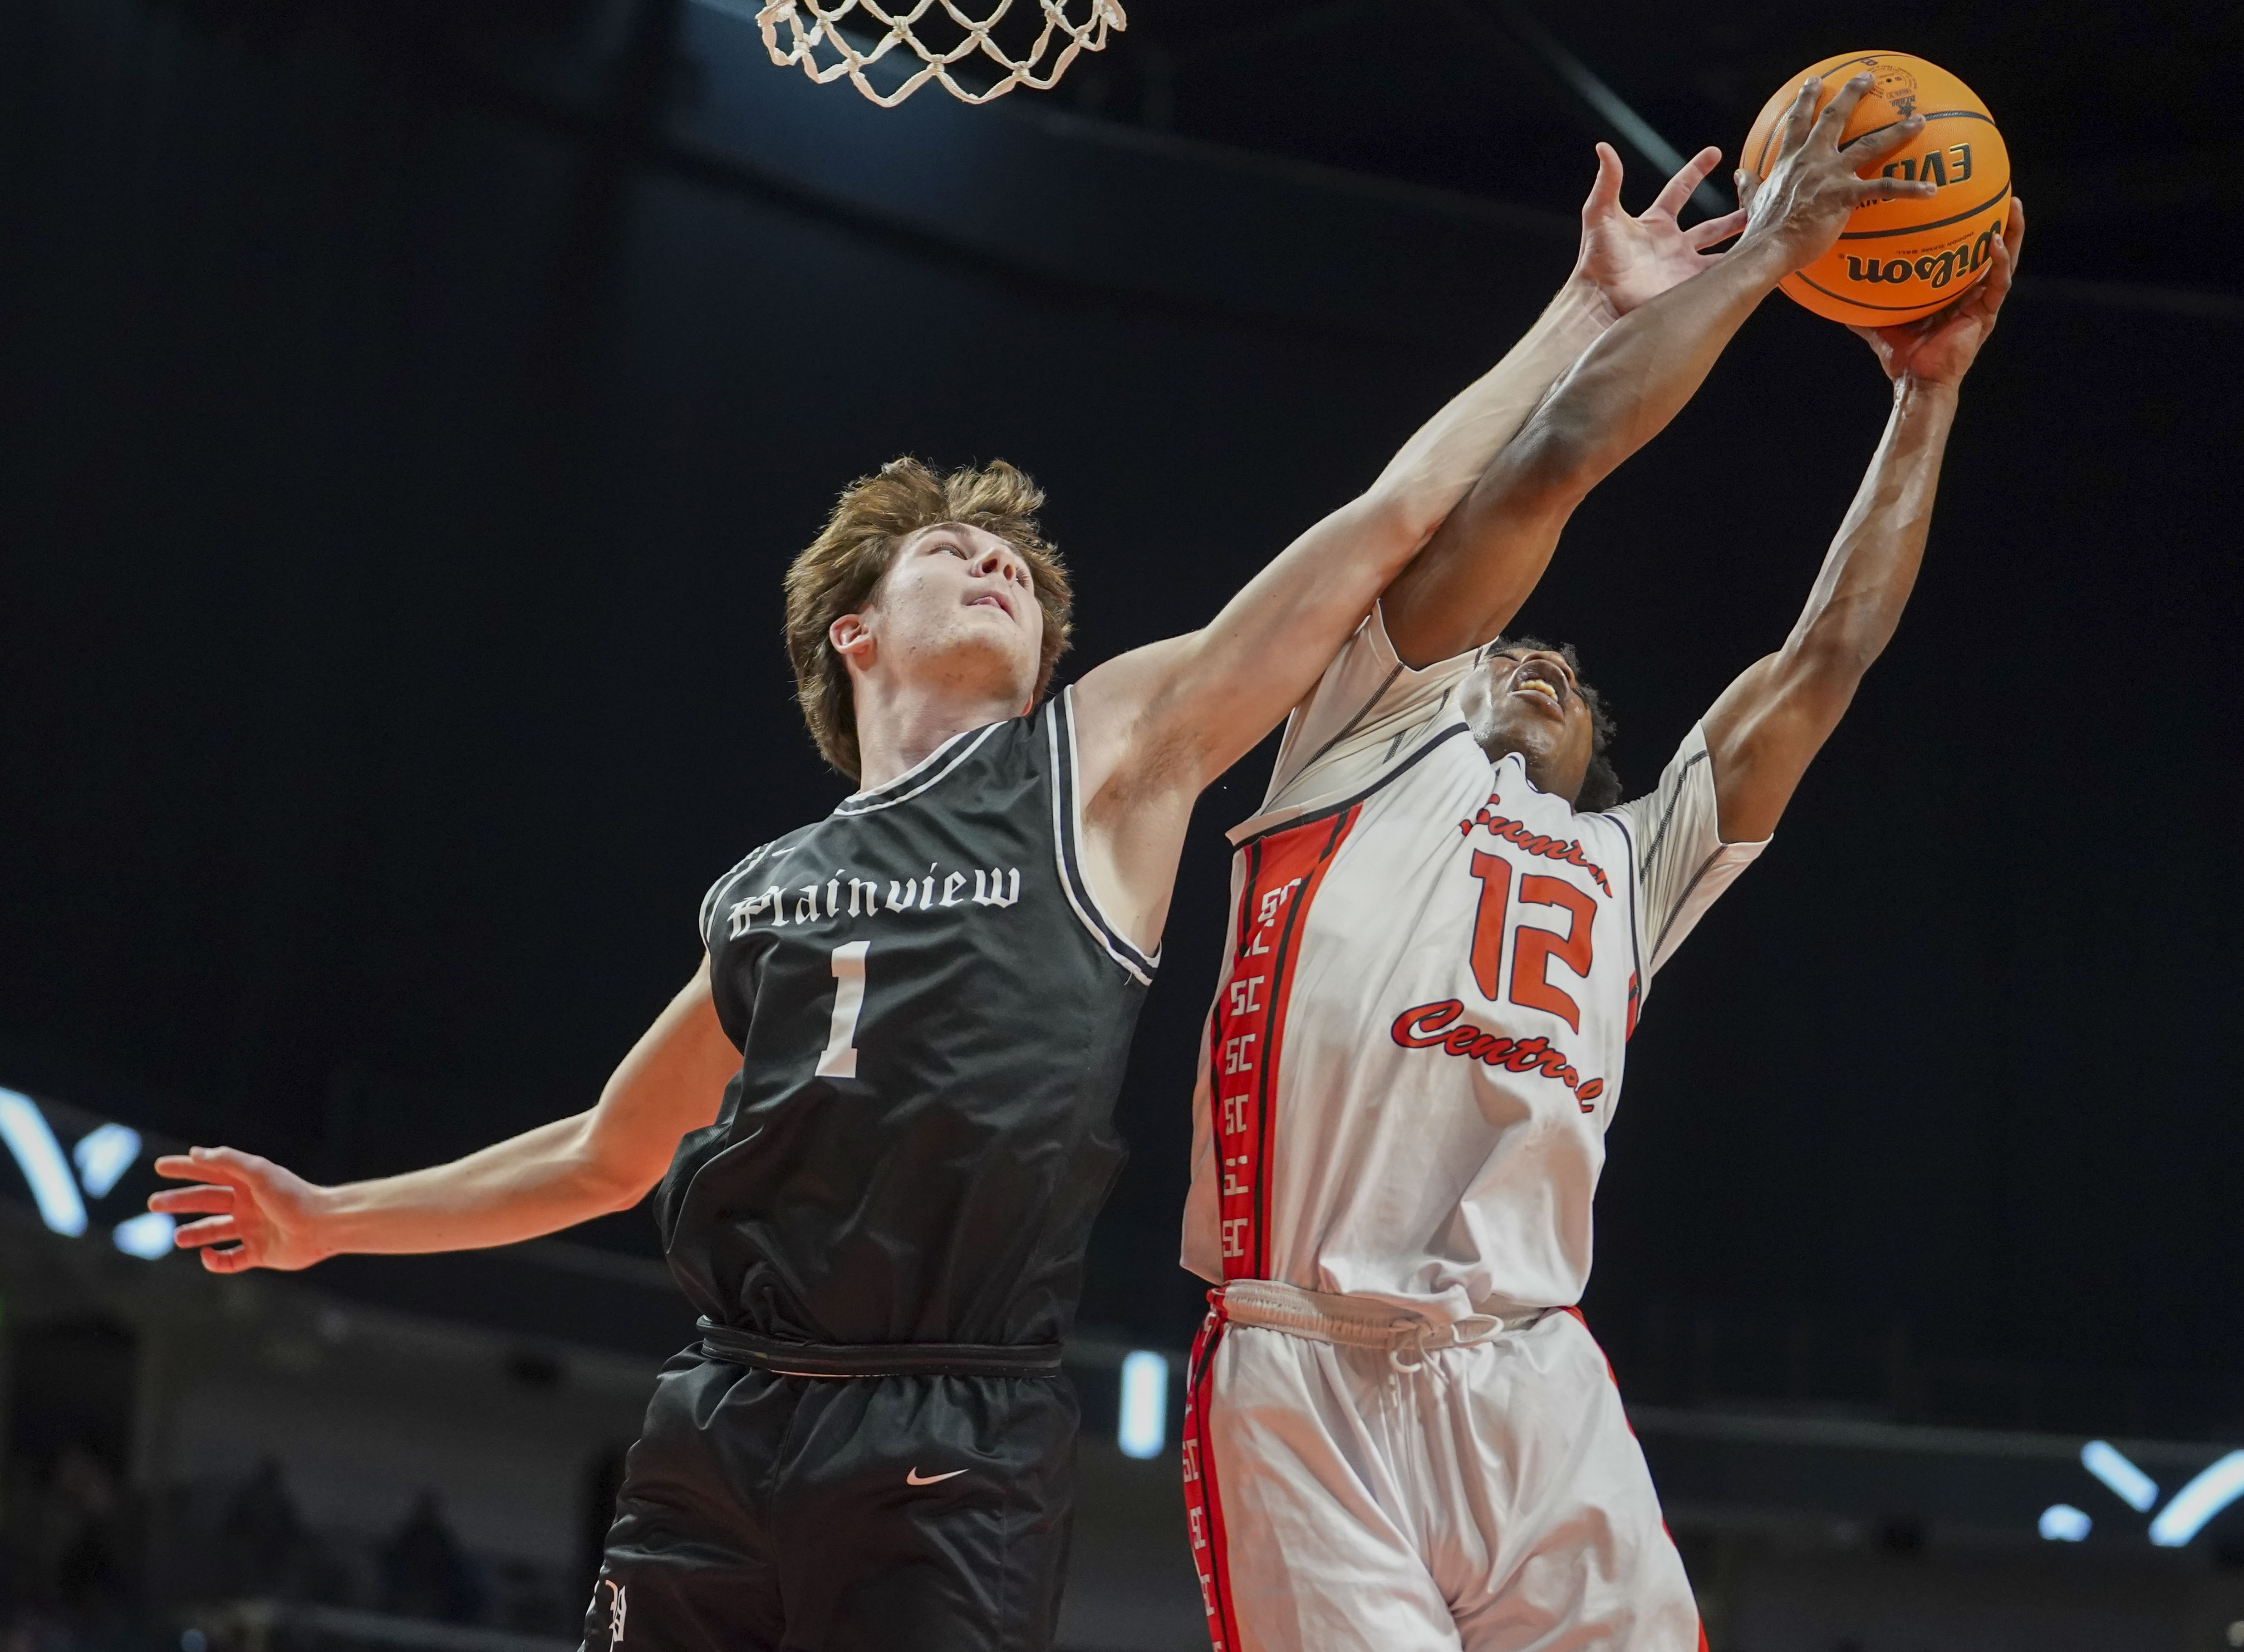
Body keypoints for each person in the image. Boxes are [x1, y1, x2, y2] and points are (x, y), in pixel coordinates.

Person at [148, 135, 1763, 1652]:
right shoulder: (769, 890)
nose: (993, 562)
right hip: (721, 1412)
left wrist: (1578, 314)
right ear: (852, 632)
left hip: (953, 1421)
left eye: (1018, 573)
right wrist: (326, 1222)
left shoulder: (1103, 762)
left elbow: (1385, 527)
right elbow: (602, 1154)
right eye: (948, 554)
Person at [1177, 76, 2017, 1651]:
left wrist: (1925, 398)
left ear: (1600, 756)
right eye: (1517, 651)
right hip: (1307, 1361)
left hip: (1531, 1373)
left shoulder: (1630, 866)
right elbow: (1557, 456)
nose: (1541, 661)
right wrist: (1763, 261)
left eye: (1572, 678)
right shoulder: (1366, 736)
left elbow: (1825, 656)